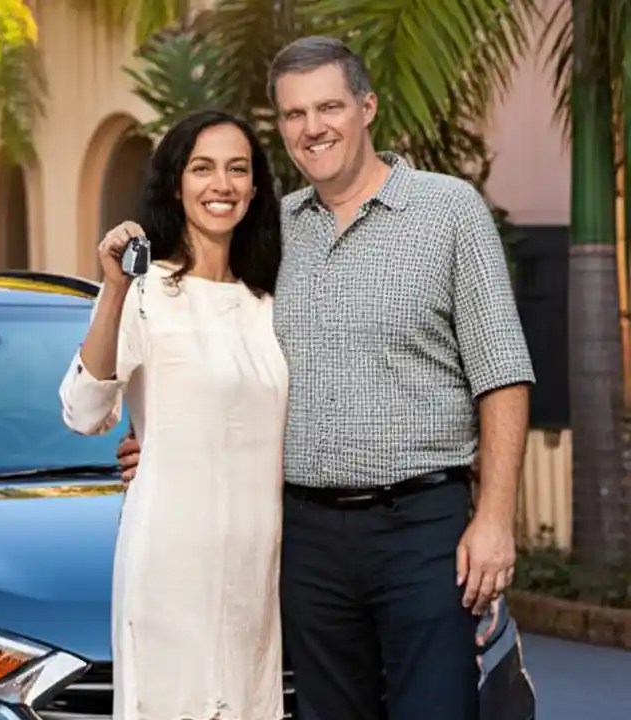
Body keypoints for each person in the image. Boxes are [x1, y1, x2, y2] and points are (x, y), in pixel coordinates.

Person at [114, 36, 534, 720]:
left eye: (330, 106)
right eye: (293, 114)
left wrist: (494, 520)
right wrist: (163, 441)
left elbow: (503, 372)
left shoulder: (449, 212)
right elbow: (217, 349)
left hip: (422, 528)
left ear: (366, 107)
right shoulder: (271, 232)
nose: (313, 128)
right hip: (303, 536)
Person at [58, 108, 286, 720]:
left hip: (256, 567)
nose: (222, 185)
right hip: (170, 560)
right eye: (203, 168)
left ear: (256, 188)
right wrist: (113, 288)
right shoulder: (146, 292)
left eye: (238, 169)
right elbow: (84, 412)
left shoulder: (269, 301)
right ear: (176, 183)